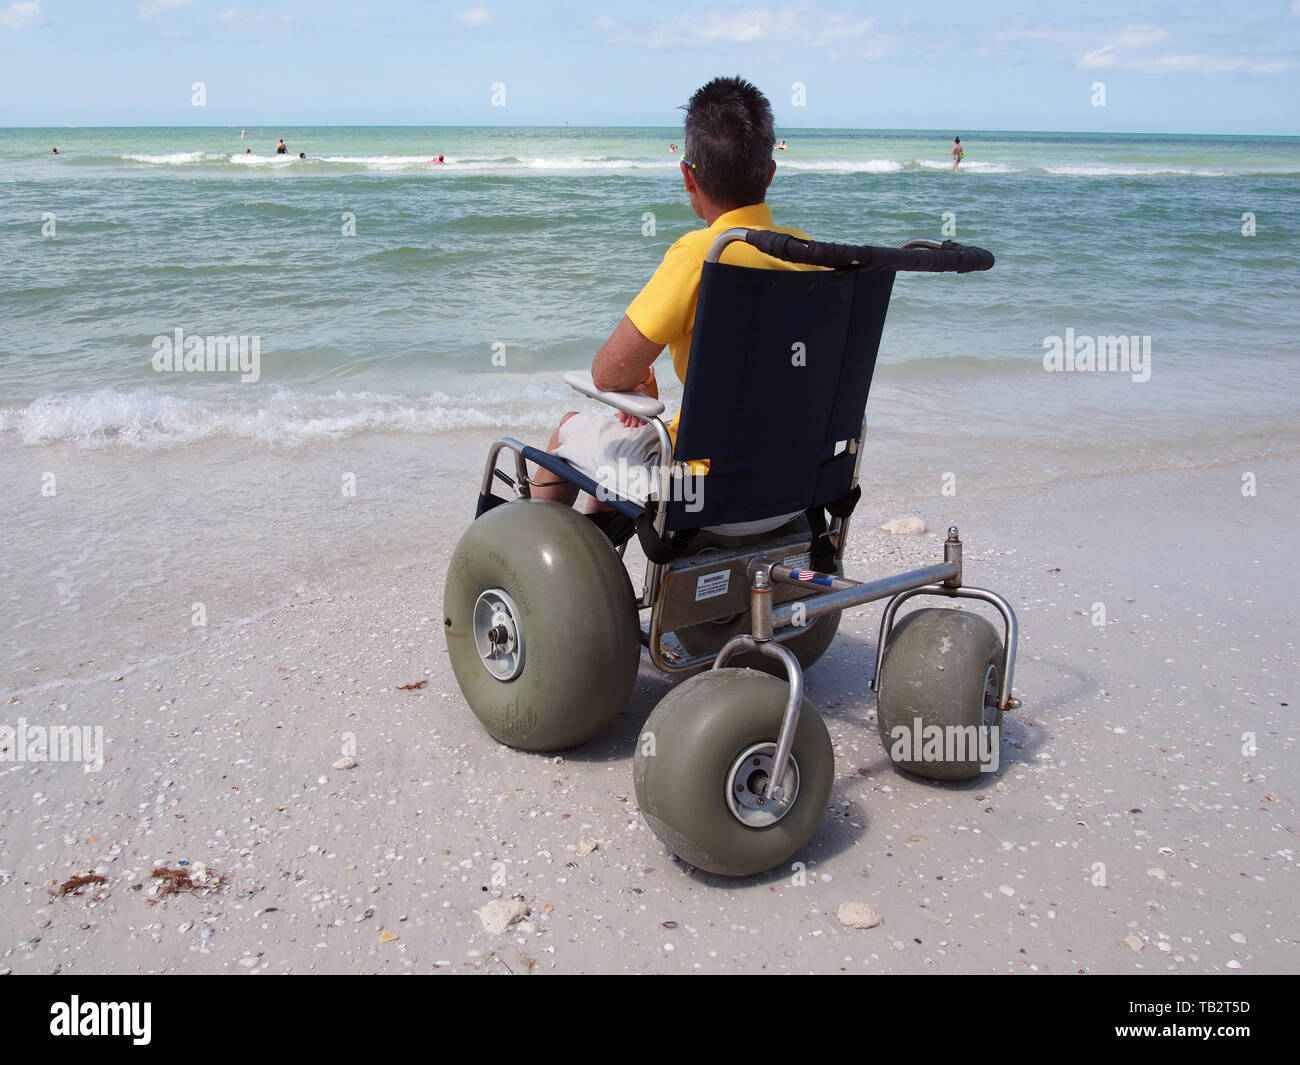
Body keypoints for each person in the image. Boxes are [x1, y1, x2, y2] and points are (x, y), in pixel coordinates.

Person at [532, 76, 818, 530]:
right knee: (628, 457)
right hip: (799, 485)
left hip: (702, 490)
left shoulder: (701, 254)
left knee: (572, 427)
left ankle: (529, 566)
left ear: (688, 176)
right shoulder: (813, 257)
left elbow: (607, 373)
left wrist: (640, 381)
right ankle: (598, 557)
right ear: (769, 174)